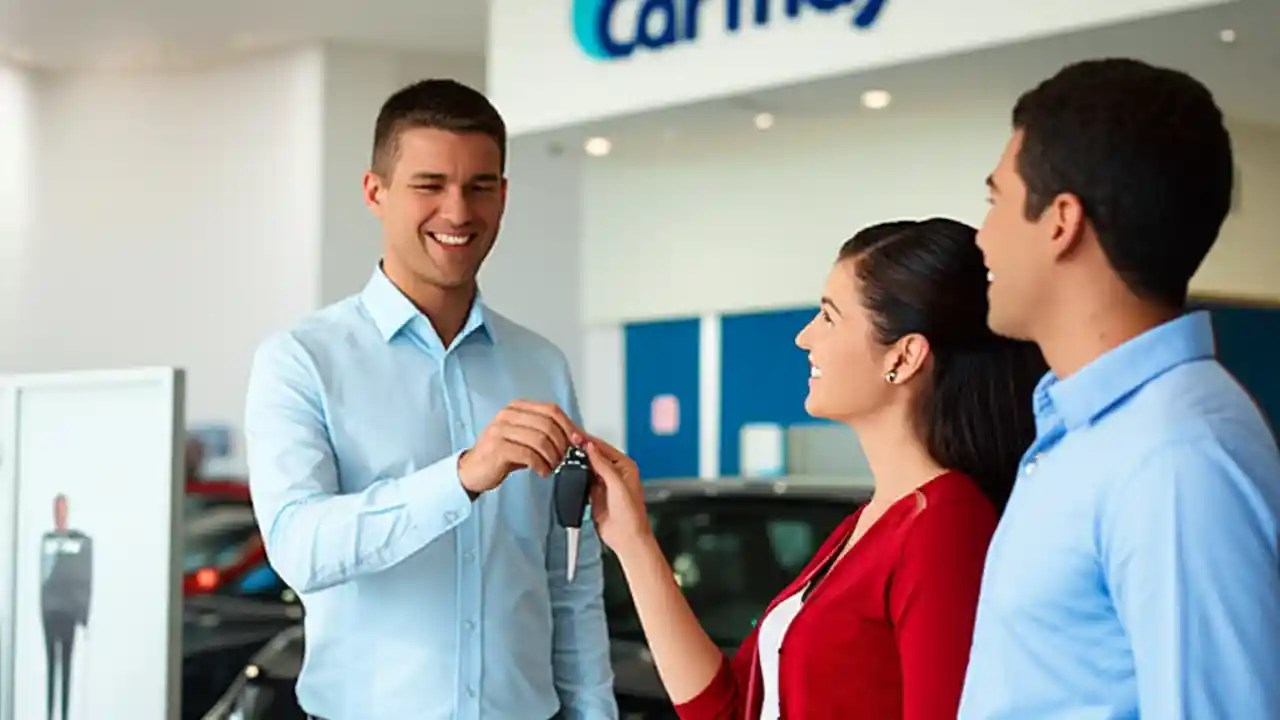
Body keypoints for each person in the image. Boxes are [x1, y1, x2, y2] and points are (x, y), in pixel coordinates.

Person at [244, 78, 616, 720]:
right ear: (375, 192)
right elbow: (298, 548)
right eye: (429, 185)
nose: (458, 212)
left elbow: (570, 577)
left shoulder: (540, 364)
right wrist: (462, 477)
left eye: (480, 186)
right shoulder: (302, 359)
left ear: (503, 196)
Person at [582, 218, 1047, 720]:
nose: (805, 338)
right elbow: (727, 709)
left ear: (905, 355)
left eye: (829, 316)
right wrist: (633, 541)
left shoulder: (944, 524)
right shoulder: (869, 523)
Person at [960, 58, 1280, 718]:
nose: (981, 237)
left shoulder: (1177, 457)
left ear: (1061, 220)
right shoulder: (1091, 434)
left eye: (994, 201)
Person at [41, 493, 92, 720]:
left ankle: (64, 714)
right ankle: (50, 713)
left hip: (68, 610)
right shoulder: (47, 540)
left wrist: (83, 613)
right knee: (52, 663)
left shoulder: (77, 543)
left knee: (67, 663)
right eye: (56, 509)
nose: (59, 514)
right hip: (49, 610)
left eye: (62, 509)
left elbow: (83, 574)